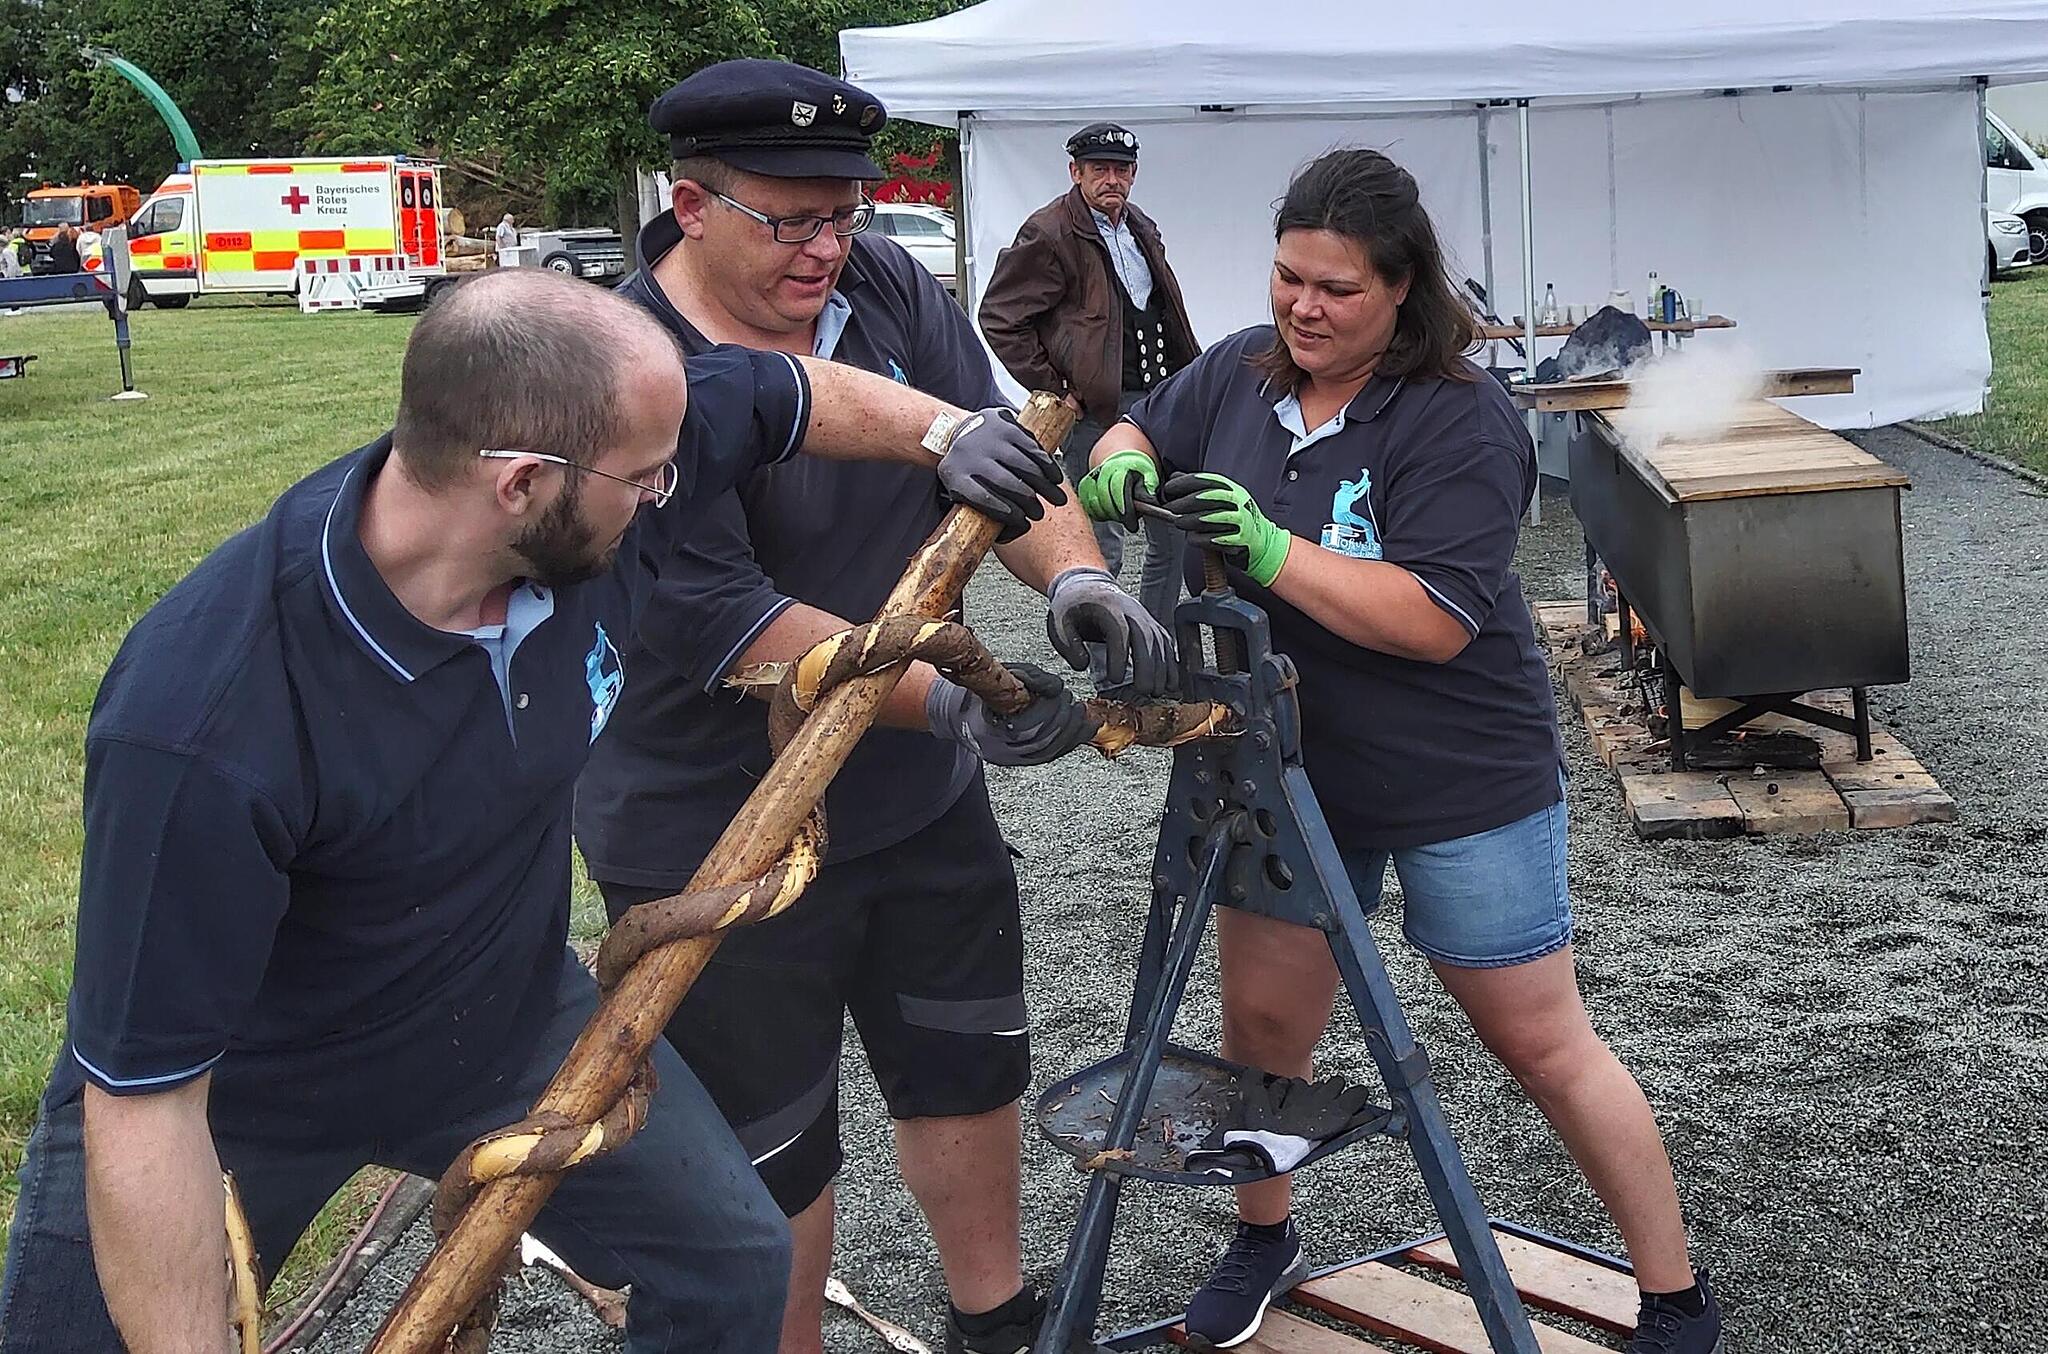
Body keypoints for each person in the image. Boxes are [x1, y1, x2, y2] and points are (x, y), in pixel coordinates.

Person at [0, 268, 1071, 1354]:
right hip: (245, 1088)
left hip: (499, 1015)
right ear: (519, 485)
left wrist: (944, 434)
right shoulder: (205, 722)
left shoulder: (599, 453)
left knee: (734, 1264)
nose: (669, 494)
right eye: (646, 481)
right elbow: (145, 1100)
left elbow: (781, 394)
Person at [1073, 149, 1722, 1354]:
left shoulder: (1459, 416)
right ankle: (1263, 1236)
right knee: (1262, 1035)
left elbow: (1433, 619)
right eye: (1288, 277)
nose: (1302, 308)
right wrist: (1118, 455)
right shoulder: (1238, 371)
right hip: (1277, 772)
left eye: (1336, 289)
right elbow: (1136, 422)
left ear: (1401, 288)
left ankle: (1674, 1295)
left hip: (1454, 774)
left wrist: (1269, 551)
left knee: (1538, 1040)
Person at [575, 60, 1174, 1354]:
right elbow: (729, 624)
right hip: (713, 834)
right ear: (690, 205)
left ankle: (994, 1325)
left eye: (843, 215)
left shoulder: (886, 286)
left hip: (913, 808)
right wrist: (954, 698)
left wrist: (1075, 574)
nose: (826, 248)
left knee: (965, 1064)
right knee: (768, 1161)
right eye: (790, 221)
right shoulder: (628, 372)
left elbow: (997, 458)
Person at [980, 122, 1199, 658]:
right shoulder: (1050, 231)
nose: (1112, 180)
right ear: (1075, 172)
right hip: (1098, 409)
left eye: (1121, 170)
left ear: (1134, 174)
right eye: (1100, 169)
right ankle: (1111, 670)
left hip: (1158, 402)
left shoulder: (1140, 226)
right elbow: (1000, 317)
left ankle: (1156, 651)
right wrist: (1058, 387)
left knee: (1171, 533)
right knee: (1100, 544)